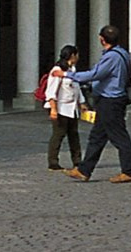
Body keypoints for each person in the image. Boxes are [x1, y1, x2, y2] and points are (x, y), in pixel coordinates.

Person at [65, 25, 131, 183]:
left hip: (110, 101)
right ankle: (84, 170)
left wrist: (68, 75)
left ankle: (128, 171)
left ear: (102, 39)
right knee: (97, 137)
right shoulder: (122, 53)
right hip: (111, 100)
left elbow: (96, 74)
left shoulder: (112, 57)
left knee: (119, 136)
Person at [44, 44, 83, 172]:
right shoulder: (57, 70)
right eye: (76, 54)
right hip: (61, 107)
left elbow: (76, 88)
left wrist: (81, 103)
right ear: (72, 55)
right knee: (58, 134)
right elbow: (51, 91)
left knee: (74, 135)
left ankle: (77, 161)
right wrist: (53, 109)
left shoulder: (72, 70)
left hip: (72, 108)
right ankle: (53, 162)